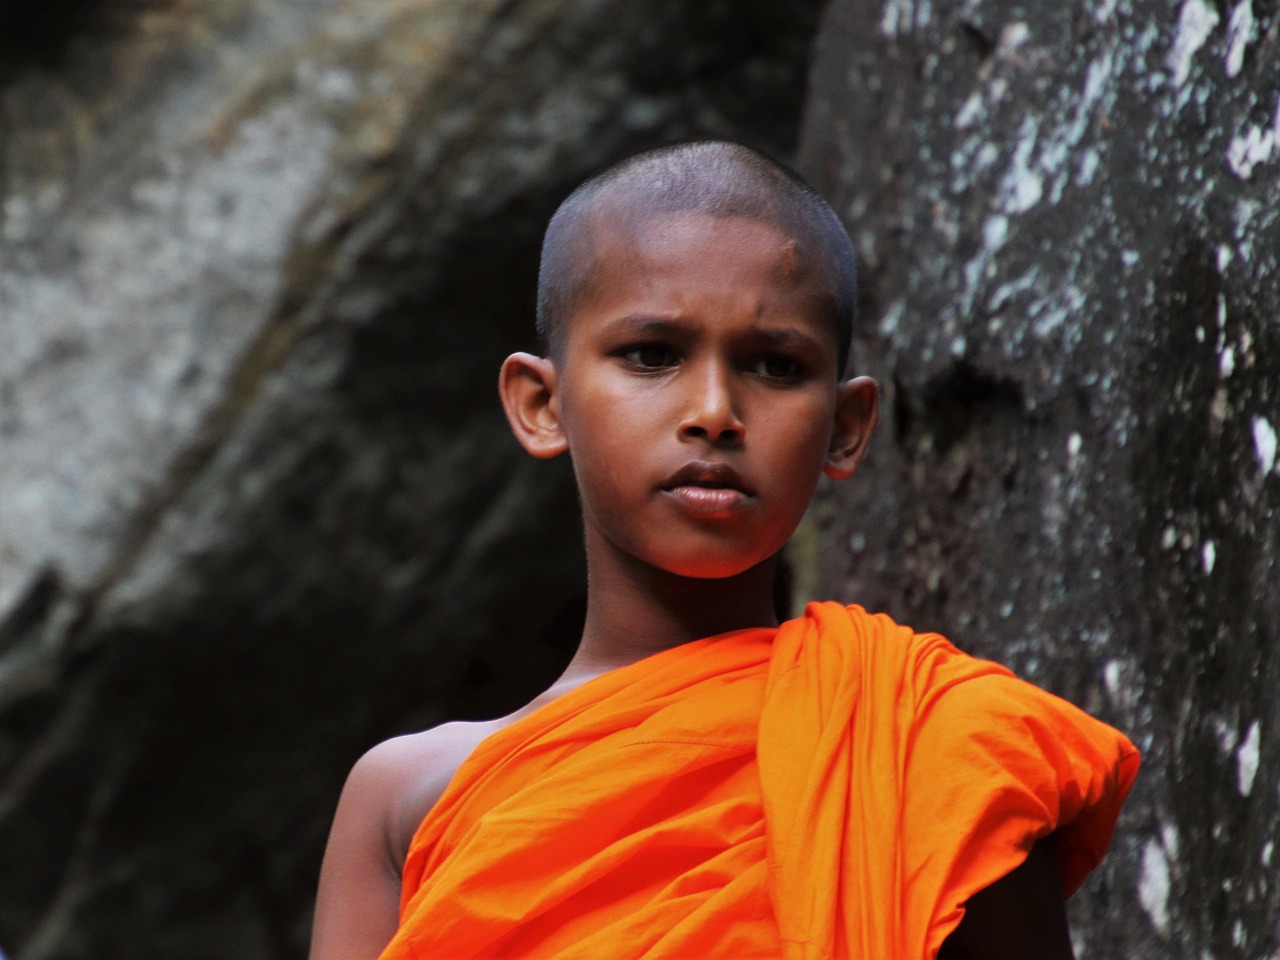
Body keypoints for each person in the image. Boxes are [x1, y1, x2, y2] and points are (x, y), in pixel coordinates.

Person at [309, 141, 1139, 959]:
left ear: (844, 429)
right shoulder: (407, 797)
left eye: (775, 366)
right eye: (652, 355)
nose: (715, 410)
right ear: (541, 405)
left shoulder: (940, 748)